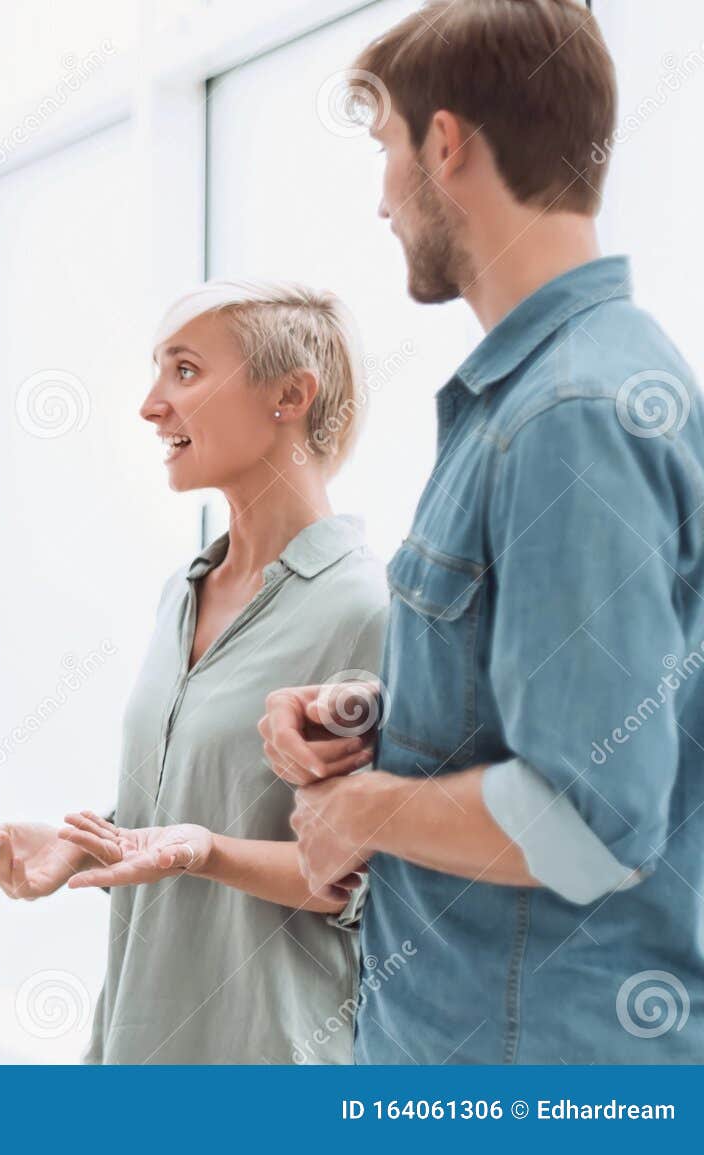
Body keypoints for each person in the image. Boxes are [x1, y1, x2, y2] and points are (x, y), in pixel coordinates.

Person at [262, 0, 704, 1062]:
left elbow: (590, 820)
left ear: (446, 143)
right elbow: (575, 707)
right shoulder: (555, 393)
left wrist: (360, 810)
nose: (382, 199)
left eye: (387, 148)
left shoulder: (568, 419)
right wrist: (375, 716)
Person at [0, 281, 387, 1063]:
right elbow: (196, 806)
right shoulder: (181, 594)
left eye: (184, 371)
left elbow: (368, 878)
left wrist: (206, 850)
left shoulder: (366, 610)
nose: (152, 406)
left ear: (290, 395)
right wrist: (84, 844)